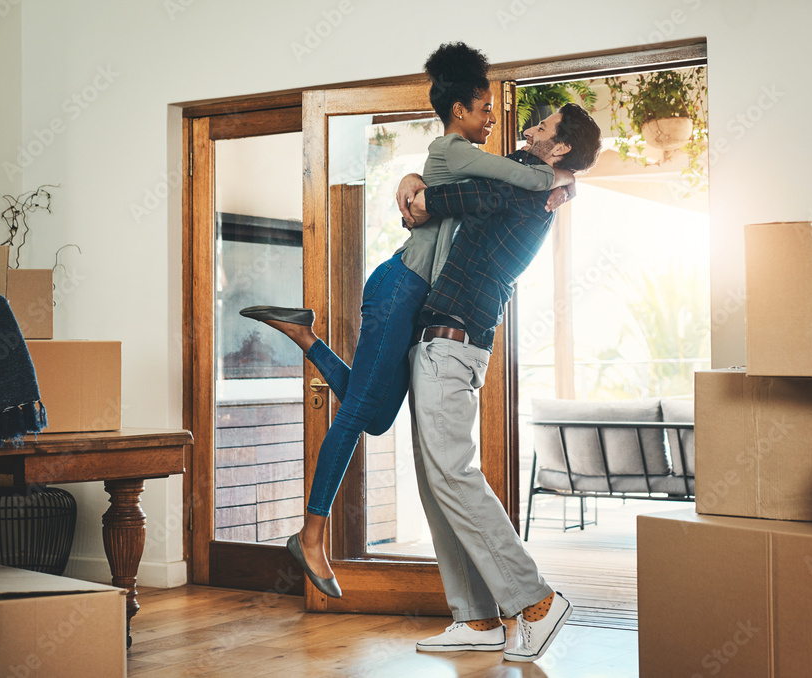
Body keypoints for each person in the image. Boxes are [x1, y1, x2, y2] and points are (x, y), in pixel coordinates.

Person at [239, 42, 575, 598]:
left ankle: (306, 335)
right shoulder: (453, 148)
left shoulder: (450, 159)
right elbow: (518, 182)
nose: (494, 119)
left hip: (409, 298)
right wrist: (562, 182)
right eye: (486, 108)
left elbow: (468, 195)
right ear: (461, 110)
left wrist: (415, 184)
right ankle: (312, 533)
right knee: (351, 421)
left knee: (373, 417)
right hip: (398, 290)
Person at [399, 102, 602, 662]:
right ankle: (478, 618)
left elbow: (479, 194)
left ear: (559, 148)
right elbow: (480, 177)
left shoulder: (529, 190)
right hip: (444, 342)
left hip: (454, 341)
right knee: (438, 484)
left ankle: (535, 602)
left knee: (455, 478)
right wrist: (415, 183)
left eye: (544, 128)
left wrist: (426, 199)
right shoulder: (531, 181)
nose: (530, 130)